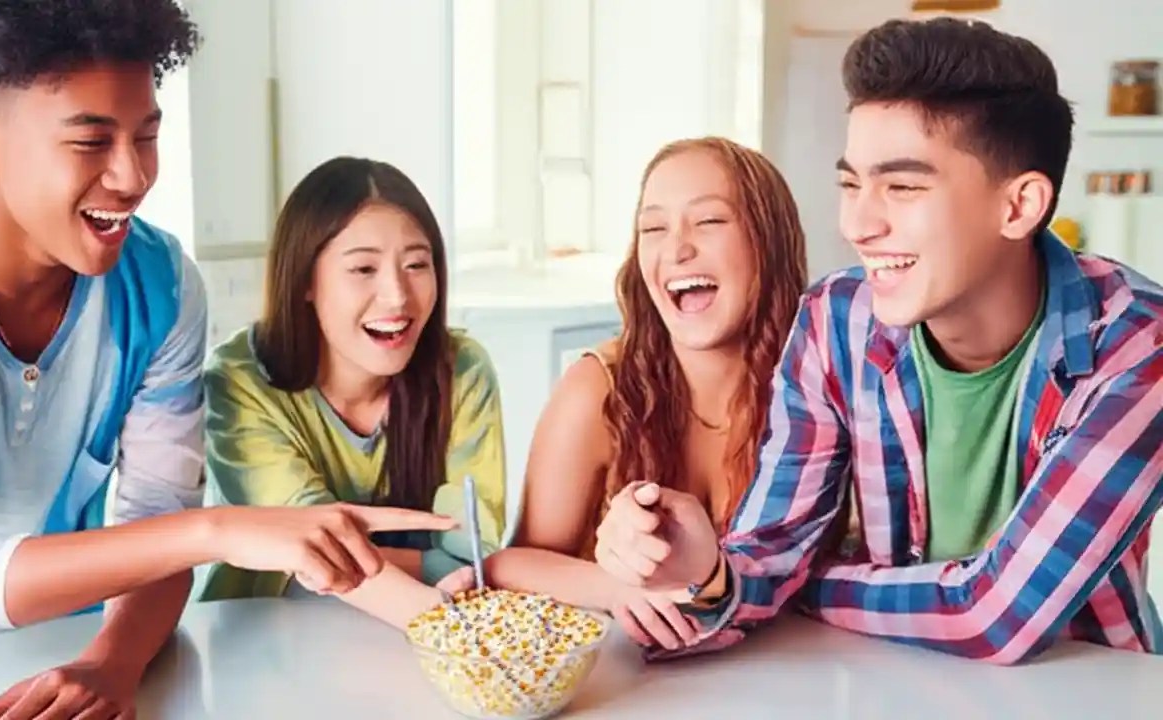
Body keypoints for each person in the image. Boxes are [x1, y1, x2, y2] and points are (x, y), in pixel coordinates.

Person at [0, 1, 454, 716]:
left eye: (146, 135)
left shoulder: (160, 286)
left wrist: (112, 661)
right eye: (91, 142)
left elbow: (155, 519)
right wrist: (216, 531)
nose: (132, 176)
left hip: (54, 653)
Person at [594, 17, 1163, 665]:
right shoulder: (837, 318)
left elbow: (994, 614)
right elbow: (772, 547)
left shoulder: (1137, 345)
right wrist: (704, 568)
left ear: (1019, 206)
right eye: (850, 183)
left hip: (1091, 690)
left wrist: (798, 585)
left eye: (902, 186)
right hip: (894, 677)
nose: (857, 223)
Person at [447, 137, 806, 658]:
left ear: (768, 242)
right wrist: (617, 590)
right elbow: (511, 565)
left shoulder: (817, 395)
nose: (676, 249)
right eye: (653, 229)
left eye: (708, 222)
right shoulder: (596, 392)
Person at [198, 156, 507, 630]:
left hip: (407, 639)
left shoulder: (461, 370)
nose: (398, 296)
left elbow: (475, 552)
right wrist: (441, 604)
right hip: (265, 636)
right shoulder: (240, 379)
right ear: (305, 280)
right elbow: (311, 545)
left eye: (417, 264)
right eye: (364, 268)